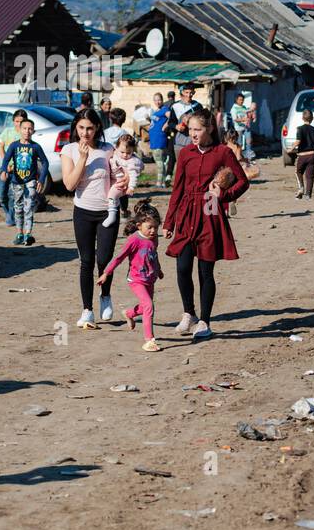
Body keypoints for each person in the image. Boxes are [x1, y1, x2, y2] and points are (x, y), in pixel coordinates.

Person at [163, 111, 250, 341]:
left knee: (205, 271)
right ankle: (189, 313)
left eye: (197, 130)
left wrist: (224, 195)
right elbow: (177, 188)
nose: (193, 134)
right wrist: (169, 220)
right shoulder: (185, 153)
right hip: (186, 213)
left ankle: (205, 321)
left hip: (210, 212)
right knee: (182, 267)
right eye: (190, 129)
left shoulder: (223, 152)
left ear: (209, 129)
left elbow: (243, 181)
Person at [61, 107, 120, 329]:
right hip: (83, 212)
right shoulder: (69, 150)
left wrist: (122, 186)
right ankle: (87, 310)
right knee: (86, 261)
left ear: (97, 129)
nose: (85, 133)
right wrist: (83, 158)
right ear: (76, 128)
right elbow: (69, 184)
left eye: (90, 128)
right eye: (81, 128)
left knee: (104, 259)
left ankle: (105, 295)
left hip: (107, 212)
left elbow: (117, 177)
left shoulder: (108, 150)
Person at [99, 200, 165, 353]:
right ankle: (149, 340)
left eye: (156, 227)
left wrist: (159, 270)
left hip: (150, 278)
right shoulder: (133, 240)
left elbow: (153, 255)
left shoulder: (154, 239)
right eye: (150, 227)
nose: (153, 231)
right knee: (149, 306)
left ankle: (129, 313)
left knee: (144, 307)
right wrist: (106, 273)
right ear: (139, 225)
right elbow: (118, 258)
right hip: (136, 280)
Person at [0, 118, 49, 247]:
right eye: (24, 128)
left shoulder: (35, 147)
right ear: (20, 130)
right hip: (17, 182)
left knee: (29, 207)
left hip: (30, 182)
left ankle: (28, 234)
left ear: (33, 131)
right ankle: (19, 233)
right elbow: (6, 159)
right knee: (18, 208)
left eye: (30, 129)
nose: (27, 131)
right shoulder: (14, 145)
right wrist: (4, 170)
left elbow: (45, 162)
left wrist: (41, 179)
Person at [0, 109, 27, 221]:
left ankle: (11, 217)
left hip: (17, 170)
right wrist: (5, 163)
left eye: (21, 121)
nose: (18, 124)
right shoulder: (7, 132)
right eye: (16, 121)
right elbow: (1, 147)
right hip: (5, 168)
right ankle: (8, 212)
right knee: (1, 195)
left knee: (13, 195)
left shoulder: (25, 134)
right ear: (13, 121)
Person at [104, 133, 144, 226]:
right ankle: (123, 212)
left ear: (133, 151)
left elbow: (134, 176)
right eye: (122, 152)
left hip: (121, 183)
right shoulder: (115, 154)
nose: (125, 155)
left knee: (112, 195)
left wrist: (131, 187)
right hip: (113, 179)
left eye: (128, 153)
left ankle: (112, 216)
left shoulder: (132, 162)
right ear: (116, 148)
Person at [291, 109, 314, 201]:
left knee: (298, 172)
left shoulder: (300, 129)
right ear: (312, 118)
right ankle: (308, 195)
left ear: (302, 118)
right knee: (310, 176)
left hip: (302, 155)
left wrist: (291, 149)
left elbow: (298, 141)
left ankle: (301, 188)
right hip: (312, 155)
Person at [149, 92, 175, 186]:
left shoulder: (165, 109)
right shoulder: (156, 110)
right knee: (159, 160)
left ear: (162, 100)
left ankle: (160, 182)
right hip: (154, 138)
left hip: (159, 138)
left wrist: (166, 125)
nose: (157, 102)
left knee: (159, 160)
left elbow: (172, 117)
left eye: (159, 99)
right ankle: (162, 181)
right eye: (155, 100)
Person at [171, 87, 203, 160]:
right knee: (180, 167)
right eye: (186, 92)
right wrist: (176, 126)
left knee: (192, 167)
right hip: (180, 143)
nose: (189, 95)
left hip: (194, 142)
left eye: (191, 93)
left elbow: (203, 121)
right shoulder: (175, 106)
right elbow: (170, 122)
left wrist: (192, 118)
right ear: (182, 92)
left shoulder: (197, 106)